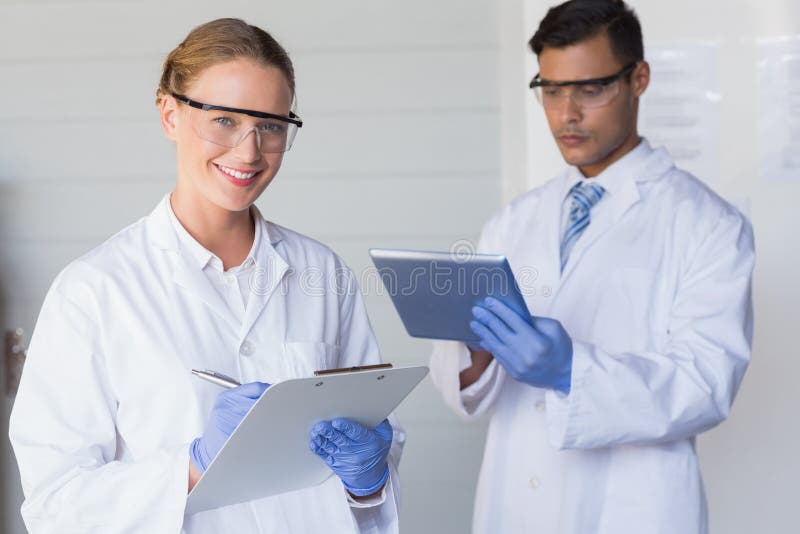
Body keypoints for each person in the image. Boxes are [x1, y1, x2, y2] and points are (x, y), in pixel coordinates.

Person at [9, 18, 402, 533]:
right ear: (169, 114)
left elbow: (368, 468)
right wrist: (193, 466)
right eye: (224, 120)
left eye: (272, 125)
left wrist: (367, 479)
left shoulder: (321, 272)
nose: (249, 151)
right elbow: (54, 506)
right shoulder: (94, 291)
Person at [430, 1, 754, 533]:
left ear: (638, 79)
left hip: (633, 510)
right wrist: (475, 350)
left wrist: (570, 371)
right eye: (551, 90)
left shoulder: (710, 225)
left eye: (590, 88)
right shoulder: (513, 221)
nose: (566, 114)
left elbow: (707, 384)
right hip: (515, 504)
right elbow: (461, 389)